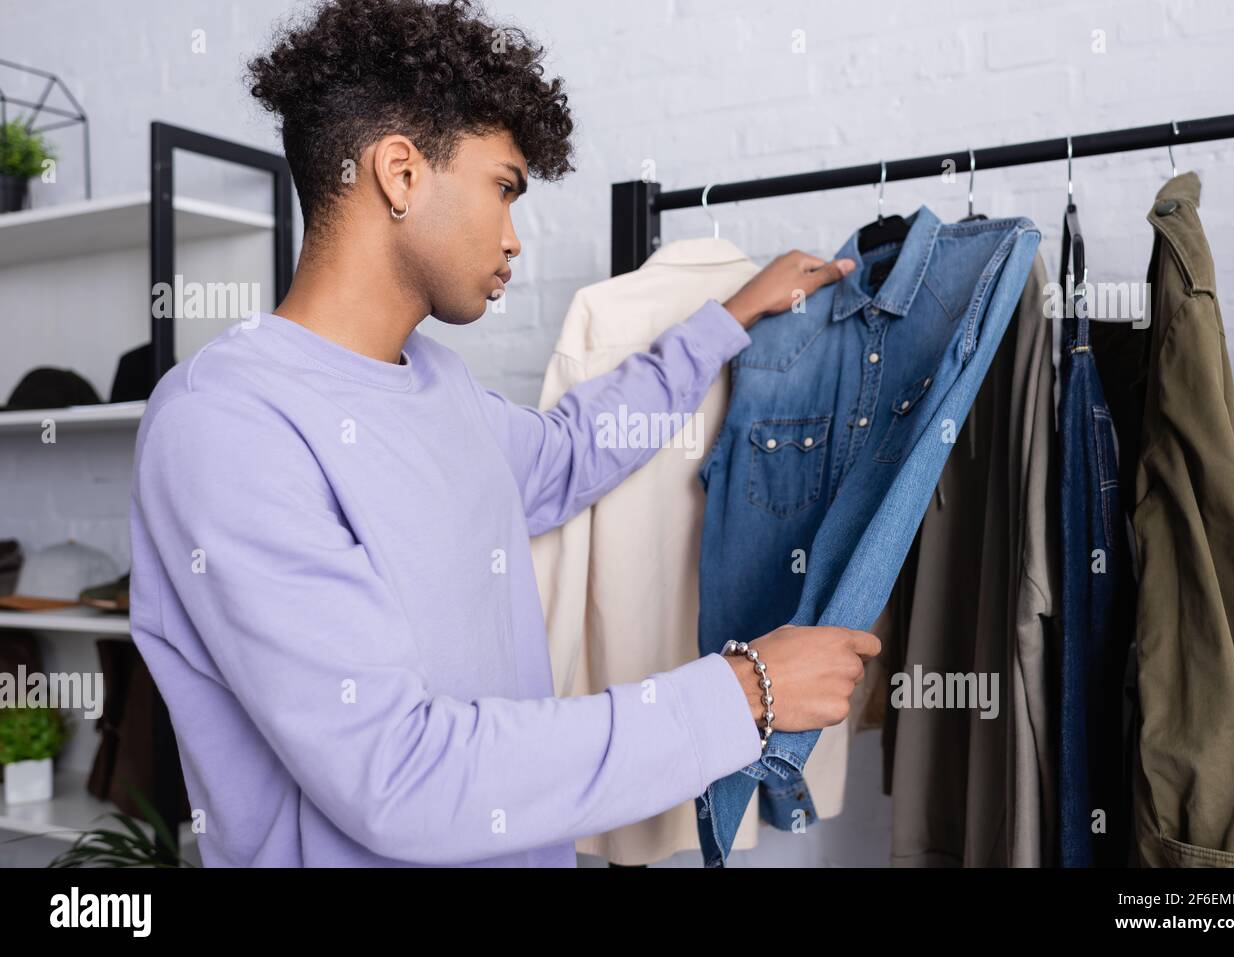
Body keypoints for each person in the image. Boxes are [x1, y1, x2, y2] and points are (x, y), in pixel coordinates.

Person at [128, 0, 879, 867]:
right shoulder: (224, 426)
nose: (515, 238)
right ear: (401, 174)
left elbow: (571, 450)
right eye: (505, 188)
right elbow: (397, 773)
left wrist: (730, 316)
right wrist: (743, 690)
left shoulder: (441, 386)